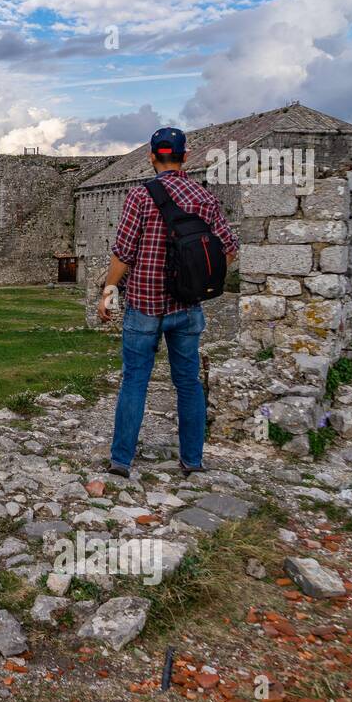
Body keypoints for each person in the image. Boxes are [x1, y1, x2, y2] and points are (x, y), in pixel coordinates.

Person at [96, 127, 239, 478]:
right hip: (187, 307)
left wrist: (109, 291)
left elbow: (124, 253)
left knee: (134, 381)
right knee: (188, 382)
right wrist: (197, 280)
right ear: (185, 156)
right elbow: (228, 250)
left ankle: (121, 461)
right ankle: (192, 461)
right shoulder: (204, 198)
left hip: (144, 305)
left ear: (151, 157)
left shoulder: (140, 196)